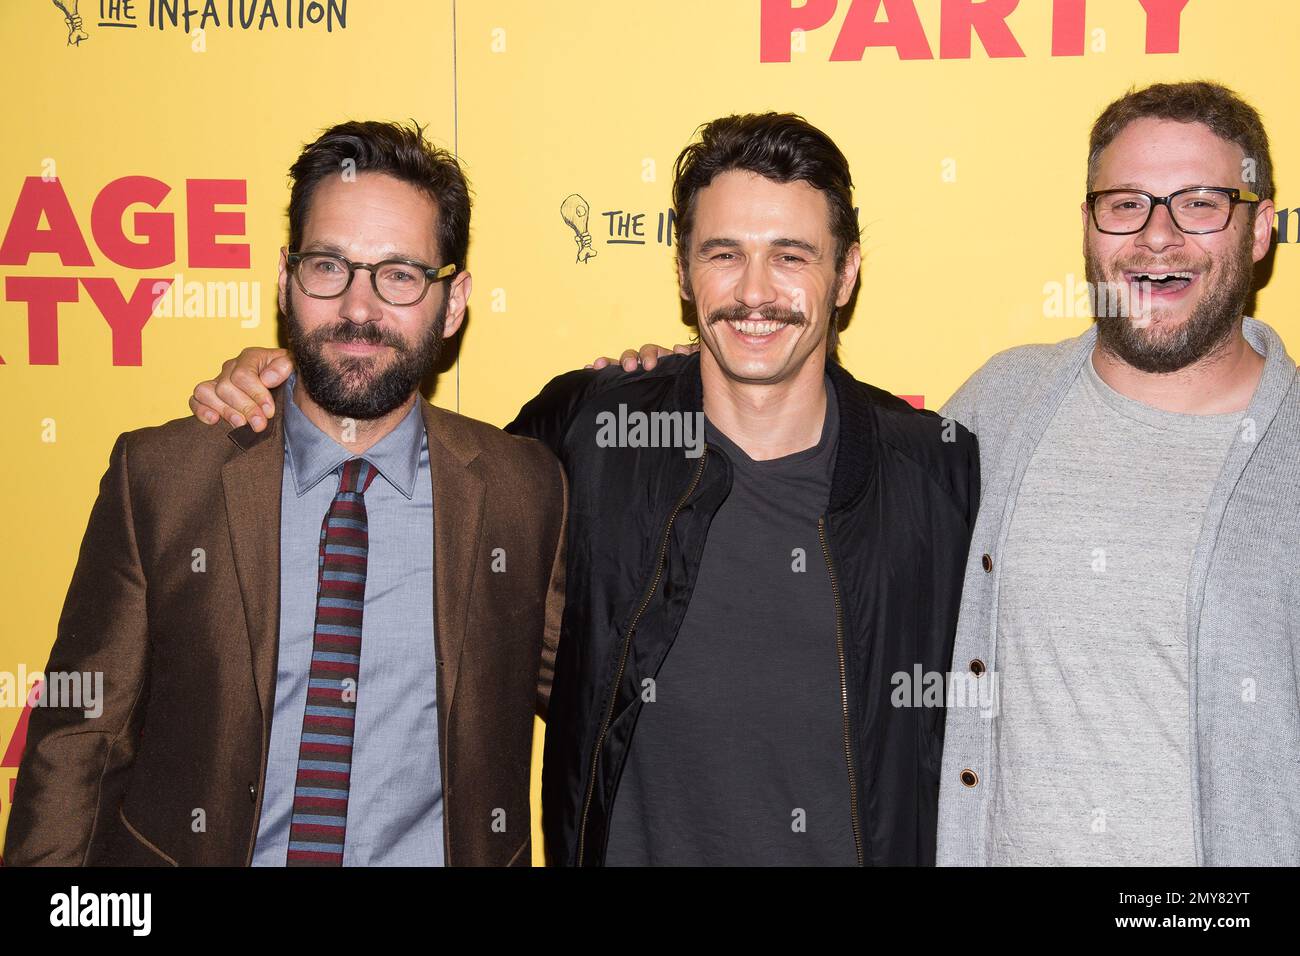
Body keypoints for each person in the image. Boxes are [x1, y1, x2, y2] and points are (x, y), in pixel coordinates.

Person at [183, 113, 980, 866]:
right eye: (724, 252)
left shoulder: (935, 473)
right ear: (682, 270)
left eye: (793, 255)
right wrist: (281, 387)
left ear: (847, 274)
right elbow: (410, 469)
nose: (756, 291)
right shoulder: (589, 432)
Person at [591, 80, 1300, 866]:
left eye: (1200, 203)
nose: (1157, 236)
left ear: (1262, 226)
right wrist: (670, 380)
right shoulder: (996, 410)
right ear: (1090, 227)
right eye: (1126, 203)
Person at [4, 120, 567, 867]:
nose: (359, 309)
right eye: (329, 267)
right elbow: (76, 734)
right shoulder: (165, 478)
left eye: (399, 274)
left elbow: (605, 709)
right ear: (284, 278)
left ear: (453, 300)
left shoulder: (524, 491)